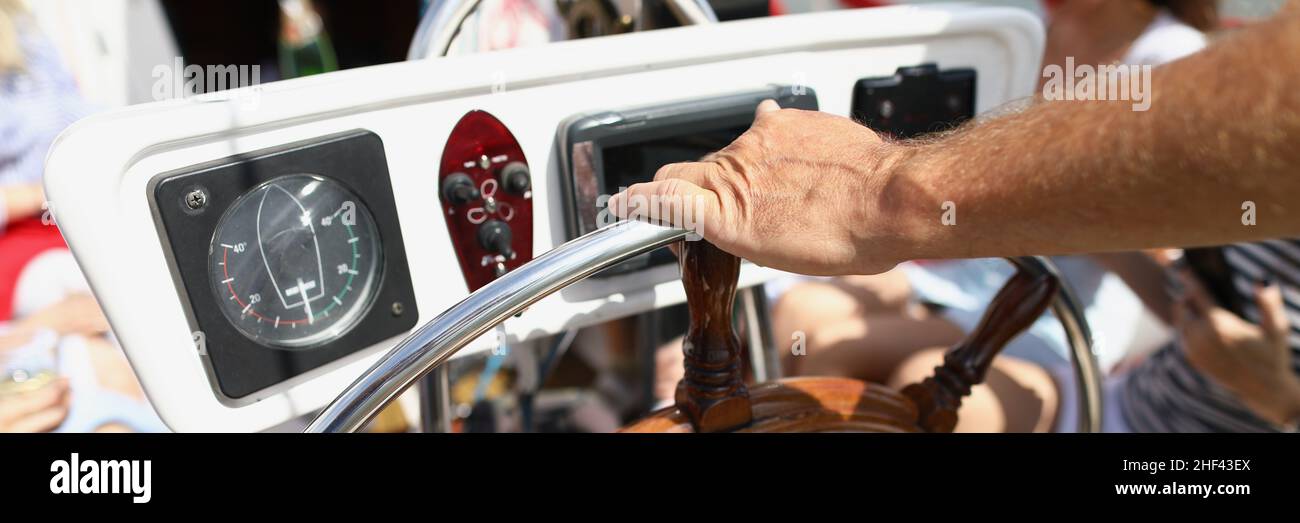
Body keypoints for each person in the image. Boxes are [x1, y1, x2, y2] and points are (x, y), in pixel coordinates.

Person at [608, 1, 1300, 429]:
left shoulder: (1170, 57)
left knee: (904, 365)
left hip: (1108, 379)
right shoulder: (1033, 25)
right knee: (802, 322)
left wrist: (1282, 399)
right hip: (1076, 347)